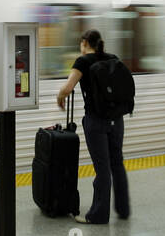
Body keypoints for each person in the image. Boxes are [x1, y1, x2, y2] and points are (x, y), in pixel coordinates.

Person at [56, 29, 130, 224]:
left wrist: (60, 97)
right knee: (117, 164)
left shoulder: (83, 61)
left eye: (81, 44)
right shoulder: (113, 58)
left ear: (84, 43)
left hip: (96, 121)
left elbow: (68, 87)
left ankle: (98, 215)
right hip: (117, 120)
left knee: (102, 168)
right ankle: (123, 209)